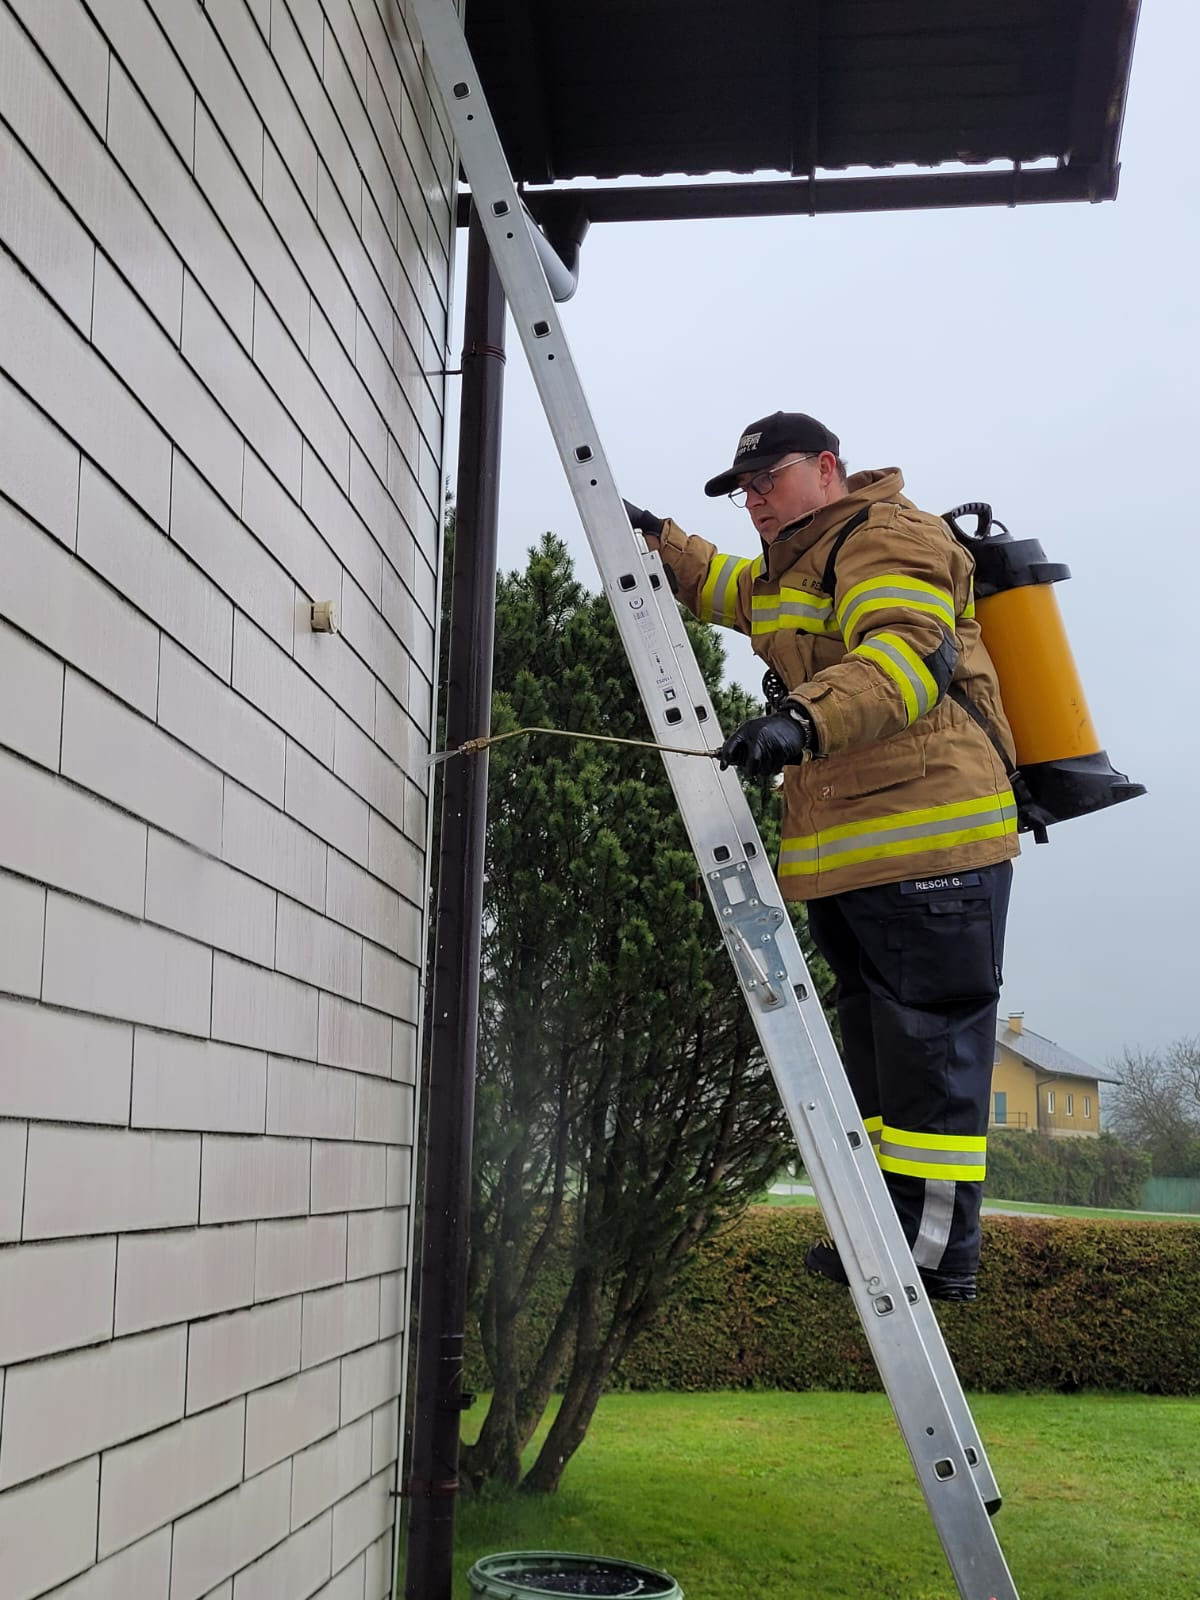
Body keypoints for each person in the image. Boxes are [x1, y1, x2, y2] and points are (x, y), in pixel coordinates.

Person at [625, 411, 1018, 1301]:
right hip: (856, 856)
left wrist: (800, 721)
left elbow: (910, 656)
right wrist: (662, 543)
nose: (757, 501)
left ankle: (932, 1252)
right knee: (883, 1066)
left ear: (829, 469)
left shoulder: (887, 536)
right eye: (745, 491)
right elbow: (736, 591)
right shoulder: (799, 565)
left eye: (772, 479)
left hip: (931, 843)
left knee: (929, 1056)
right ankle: (890, 1232)